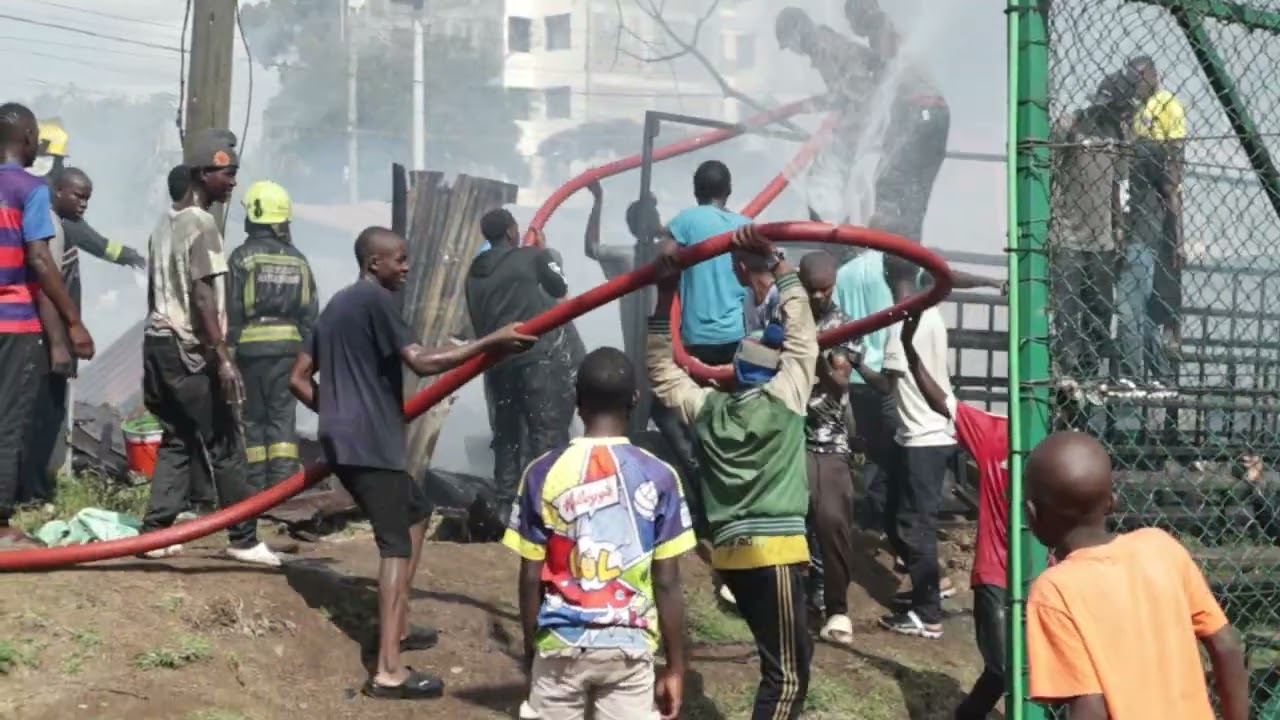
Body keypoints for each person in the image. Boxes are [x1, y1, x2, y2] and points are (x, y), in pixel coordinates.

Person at [290, 225, 536, 699]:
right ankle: (387, 671)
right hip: (370, 444)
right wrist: (491, 342)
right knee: (394, 546)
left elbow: (298, 379)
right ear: (373, 263)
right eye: (399, 259)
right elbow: (420, 362)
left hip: (353, 440)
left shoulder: (337, 306)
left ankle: (397, 627)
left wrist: (337, 412)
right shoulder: (377, 302)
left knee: (417, 510)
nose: (405, 267)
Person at [649, 224, 816, 719]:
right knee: (787, 678)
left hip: (734, 557)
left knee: (782, 663)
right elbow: (803, 333)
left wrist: (665, 296)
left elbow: (661, 370)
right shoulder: (787, 399)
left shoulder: (707, 409)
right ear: (774, 371)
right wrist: (779, 265)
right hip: (777, 552)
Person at [504, 347, 694, 720]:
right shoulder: (659, 476)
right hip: (629, 646)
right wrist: (675, 667)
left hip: (559, 646)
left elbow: (530, 577)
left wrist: (532, 652)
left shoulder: (542, 472)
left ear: (577, 402)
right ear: (635, 401)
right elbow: (667, 582)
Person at [1023, 431, 1248, 720]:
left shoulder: (1054, 590)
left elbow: (1089, 707)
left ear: (1032, 515)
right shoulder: (1162, 547)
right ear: (1113, 501)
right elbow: (1227, 646)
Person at [137, 128, 277, 566]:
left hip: (158, 343)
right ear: (202, 174)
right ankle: (244, 537)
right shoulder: (202, 224)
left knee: (179, 437)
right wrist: (223, 357)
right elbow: (202, 296)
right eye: (227, 173)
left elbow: (155, 293)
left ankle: (155, 532)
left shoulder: (164, 225)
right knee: (226, 441)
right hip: (188, 348)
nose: (233, 182)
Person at [835, 212, 1001, 533]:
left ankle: (875, 522)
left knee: (873, 451)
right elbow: (947, 277)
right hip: (894, 376)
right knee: (901, 452)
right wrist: (990, 281)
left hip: (858, 376)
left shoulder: (844, 274)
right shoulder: (899, 265)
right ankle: (904, 524)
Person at [899, 311, 1009, 719]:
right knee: (1000, 671)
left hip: (1044, 578)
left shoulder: (1061, 446)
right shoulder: (995, 431)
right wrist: (911, 355)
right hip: (996, 573)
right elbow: (942, 400)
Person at [0, 102, 94, 546]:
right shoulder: (31, 189)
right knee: (8, 421)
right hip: (14, 324)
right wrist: (73, 323)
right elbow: (39, 258)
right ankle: (1, 524)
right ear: (26, 139)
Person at [466, 209, 577, 524]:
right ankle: (547, 509)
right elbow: (558, 287)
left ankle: (505, 509)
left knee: (507, 436)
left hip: (497, 363)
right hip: (535, 358)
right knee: (546, 432)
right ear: (513, 232)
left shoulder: (474, 272)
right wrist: (545, 254)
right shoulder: (530, 256)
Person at [871, 254, 958, 639]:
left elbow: (886, 387)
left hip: (922, 437)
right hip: (933, 433)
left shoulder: (901, 322)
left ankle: (928, 613)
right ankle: (930, 589)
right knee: (905, 518)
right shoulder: (932, 312)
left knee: (915, 527)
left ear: (886, 274)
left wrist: (856, 363)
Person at [226, 180, 317, 492]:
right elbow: (310, 314)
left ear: (253, 217)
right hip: (289, 352)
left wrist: (228, 353)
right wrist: (309, 358)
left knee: (252, 419)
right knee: (282, 419)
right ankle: (282, 488)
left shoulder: (242, 257)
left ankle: (255, 489)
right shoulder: (299, 259)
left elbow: (232, 309)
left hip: (251, 351)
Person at [1048, 72, 1135, 394]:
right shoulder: (1068, 125)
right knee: (1067, 310)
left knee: (1100, 310)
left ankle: (1090, 373)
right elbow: (1048, 174)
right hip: (1067, 235)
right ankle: (1067, 374)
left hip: (1102, 240)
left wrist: (1119, 229)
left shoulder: (1119, 134)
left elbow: (1120, 185)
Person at [844, 0, 951, 241]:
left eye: (852, 20)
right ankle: (908, 256)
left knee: (890, 189)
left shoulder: (881, 28)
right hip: (936, 114)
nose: (853, 29)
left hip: (920, 115)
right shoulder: (888, 31)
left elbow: (889, 84)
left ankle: (892, 254)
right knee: (913, 194)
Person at [796, 251, 860, 646]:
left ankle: (836, 608)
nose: (819, 296)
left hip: (828, 438)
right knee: (788, 519)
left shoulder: (843, 324)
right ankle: (790, 599)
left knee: (833, 522)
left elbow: (839, 385)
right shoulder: (785, 316)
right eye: (812, 289)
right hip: (789, 432)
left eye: (826, 290)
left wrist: (817, 351)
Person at [1118, 55, 1186, 396]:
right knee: (1143, 302)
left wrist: (1177, 235)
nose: (1136, 85)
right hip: (1139, 217)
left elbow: (1174, 158)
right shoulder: (1136, 108)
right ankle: (1154, 372)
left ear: (1153, 75)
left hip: (1151, 214)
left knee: (1142, 303)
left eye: (1140, 78)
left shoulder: (1167, 105)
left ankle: (1149, 372)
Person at [774, 7, 877, 225]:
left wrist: (817, 106)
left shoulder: (824, 47)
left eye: (789, 43)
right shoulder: (826, 43)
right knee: (843, 182)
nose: (792, 51)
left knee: (822, 181)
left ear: (799, 31)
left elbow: (853, 88)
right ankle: (840, 231)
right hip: (857, 125)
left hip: (857, 126)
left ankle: (828, 234)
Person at [734, 250, 779, 335]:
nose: (734, 273)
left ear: (742, 266)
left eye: (734, 268)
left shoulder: (778, 296)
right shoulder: (748, 297)